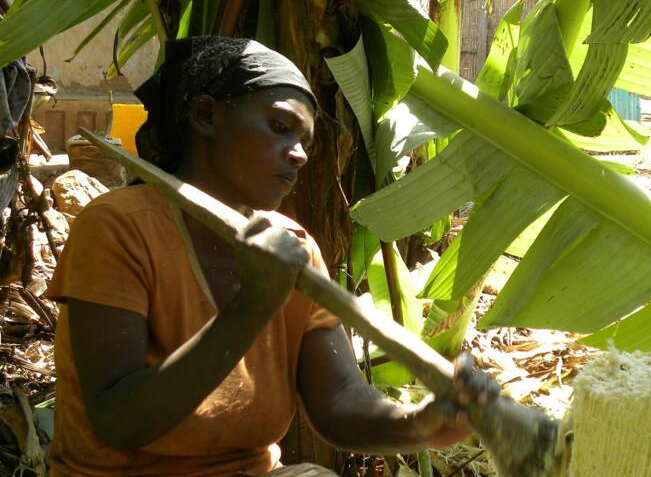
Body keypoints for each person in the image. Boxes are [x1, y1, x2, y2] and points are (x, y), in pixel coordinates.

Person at [46, 37, 497, 476]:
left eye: (306, 141)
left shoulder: (294, 247)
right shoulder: (118, 227)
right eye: (280, 127)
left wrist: (420, 424)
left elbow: (338, 400)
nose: (299, 155)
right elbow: (120, 421)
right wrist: (255, 303)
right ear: (206, 115)